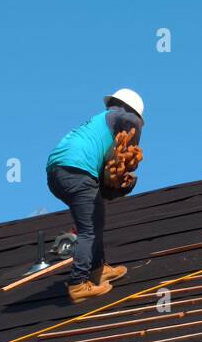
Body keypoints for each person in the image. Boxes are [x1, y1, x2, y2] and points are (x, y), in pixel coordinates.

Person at [46, 88, 145, 303]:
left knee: (96, 217)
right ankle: (78, 284)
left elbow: (102, 169)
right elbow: (131, 120)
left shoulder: (99, 126)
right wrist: (136, 132)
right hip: (75, 170)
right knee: (88, 229)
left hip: (60, 172)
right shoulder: (117, 115)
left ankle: (98, 269)